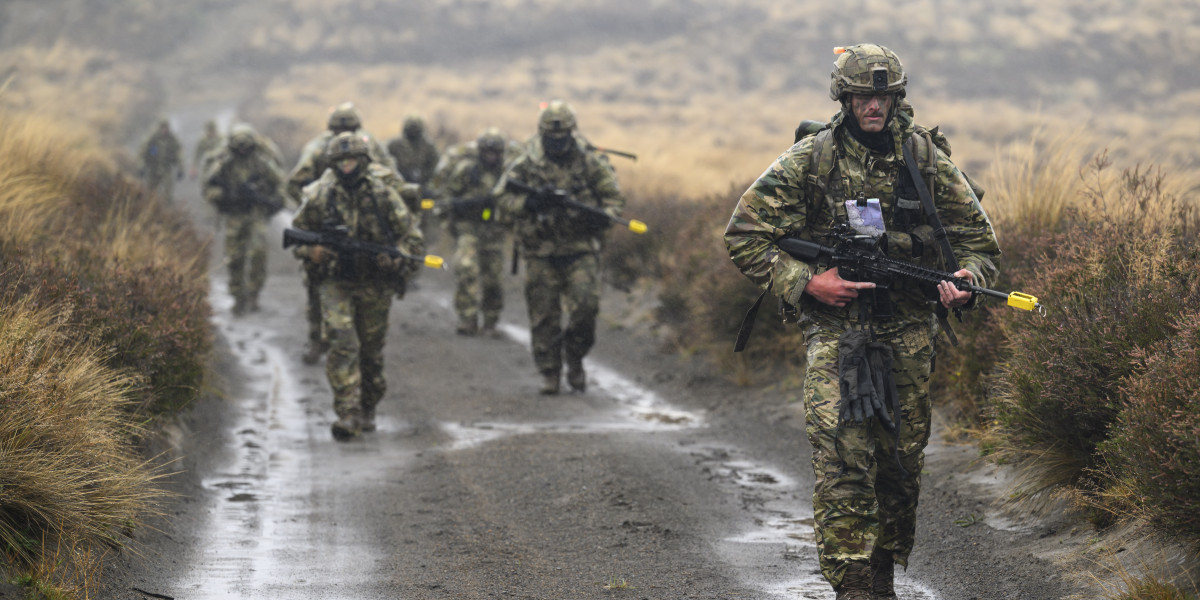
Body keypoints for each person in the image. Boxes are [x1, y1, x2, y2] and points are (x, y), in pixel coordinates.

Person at [723, 44, 1000, 600]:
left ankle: (880, 572)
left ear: (897, 98)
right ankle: (851, 584)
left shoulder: (924, 160)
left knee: (900, 462)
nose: (873, 104)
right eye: (862, 94)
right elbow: (744, 234)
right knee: (842, 453)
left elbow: (979, 242)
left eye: (884, 94)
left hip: (909, 324)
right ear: (844, 97)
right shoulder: (812, 159)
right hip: (836, 326)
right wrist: (808, 282)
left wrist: (964, 280)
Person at [291, 132, 425, 440]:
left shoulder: (383, 195)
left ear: (364, 162)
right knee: (341, 342)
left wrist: (396, 260)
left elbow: (413, 240)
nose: (347, 167)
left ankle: (367, 407)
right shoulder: (320, 195)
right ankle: (347, 413)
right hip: (335, 281)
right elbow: (298, 233)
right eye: (341, 161)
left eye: (353, 160)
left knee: (371, 351)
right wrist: (312, 252)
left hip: (374, 283)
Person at [496, 100, 624, 395]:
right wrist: (530, 203)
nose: (556, 142)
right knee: (543, 315)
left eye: (562, 136)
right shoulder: (526, 164)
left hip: (580, 248)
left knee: (586, 308)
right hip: (540, 251)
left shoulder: (589, 162)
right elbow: (501, 199)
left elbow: (614, 198)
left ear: (572, 132)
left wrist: (597, 215)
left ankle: (574, 357)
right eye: (550, 137)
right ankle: (550, 371)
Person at [289, 101, 398, 365]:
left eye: (348, 127)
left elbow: (391, 181)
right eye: (341, 128)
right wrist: (314, 209)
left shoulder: (369, 147)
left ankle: (352, 345)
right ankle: (317, 339)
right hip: (327, 224)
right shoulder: (318, 149)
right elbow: (296, 184)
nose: (344, 133)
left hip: (364, 223)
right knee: (318, 281)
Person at [202, 123, 288, 316]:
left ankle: (253, 296)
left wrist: (273, 201)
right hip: (234, 215)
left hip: (256, 214)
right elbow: (209, 189)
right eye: (239, 147)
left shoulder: (261, 162)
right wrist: (228, 195)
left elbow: (280, 183)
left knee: (258, 253)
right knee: (234, 258)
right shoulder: (224, 163)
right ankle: (237, 297)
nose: (242, 150)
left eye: (246, 146)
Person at [440, 128, 510, 337]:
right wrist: (462, 209)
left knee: (493, 280)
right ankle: (468, 318)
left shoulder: (507, 174)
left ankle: (490, 321)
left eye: (495, 152)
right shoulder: (466, 170)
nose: (491, 156)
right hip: (468, 230)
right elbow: (446, 199)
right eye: (487, 151)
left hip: (494, 234)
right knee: (466, 269)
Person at [386, 114, 440, 197]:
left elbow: (434, 164)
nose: (413, 133)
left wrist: (423, 175)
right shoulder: (394, 145)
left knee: (429, 199)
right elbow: (386, 161)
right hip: (400, 183)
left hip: (422, 184)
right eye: (411, 130)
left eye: (415, 130)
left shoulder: (428, 146)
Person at [140, 119, 183, 201]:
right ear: (160, 128)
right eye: (163, 128)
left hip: (167, 168)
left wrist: (180, 168)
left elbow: (179, 153)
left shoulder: (172, 139)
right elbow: (143, 152)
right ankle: (151, 208)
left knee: (168, 190)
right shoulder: (153, 138)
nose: (165, 130)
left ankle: (167, 208)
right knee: (150, 191)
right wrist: (142, 166)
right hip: (154, 168)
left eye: (166, 128)